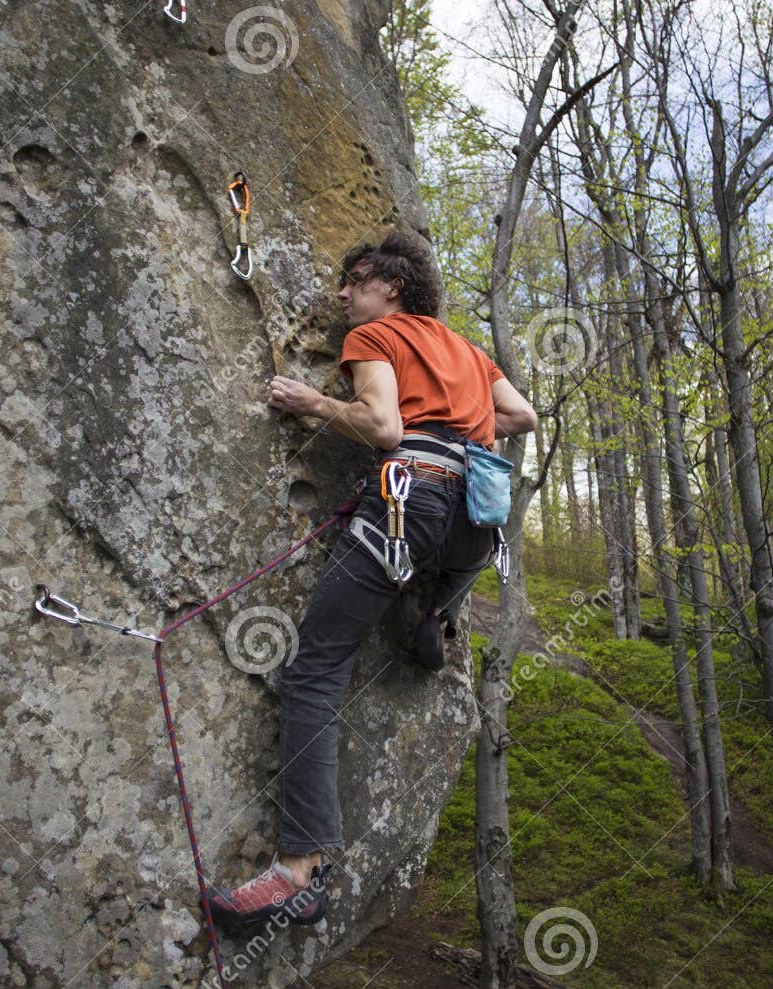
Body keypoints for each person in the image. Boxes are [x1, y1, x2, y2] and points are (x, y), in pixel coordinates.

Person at [206, 230, 538, 932]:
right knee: (432, 579)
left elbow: (383, 426)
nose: (342, 293)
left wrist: (315, 404)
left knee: (316, 667)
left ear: (392, 286)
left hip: (410, 498)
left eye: (354, 278)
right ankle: (433, 619)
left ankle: (299, 872)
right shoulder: (467, 351)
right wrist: (463, 428)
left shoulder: (376, 336)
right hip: (475, 519)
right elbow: (522, 415)